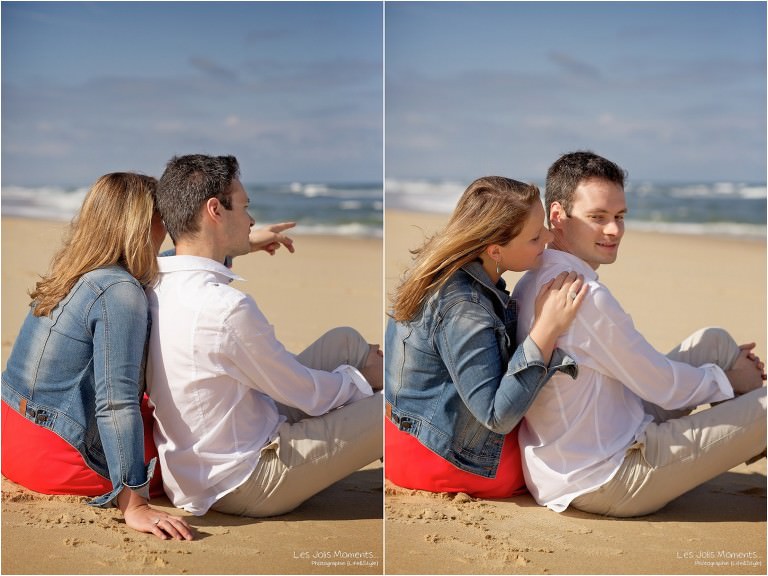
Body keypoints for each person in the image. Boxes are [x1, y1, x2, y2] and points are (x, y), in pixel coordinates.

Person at [512, 151, 767, 517]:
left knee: (714, 342)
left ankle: (747, 438)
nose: (614, 230)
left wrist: (727, 380)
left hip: (570, 456)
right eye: (597, 218)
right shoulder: (585, 296)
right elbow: (661, 386)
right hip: (608, 476)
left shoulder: (535, 276)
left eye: (619, 217)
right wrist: (729, 380)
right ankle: (750, 433)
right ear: (558, 216)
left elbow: (648, 378)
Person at [146, 154, 383, 517]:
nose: (252, 220)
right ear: (215, 210)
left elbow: (190, 256)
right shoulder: (226, 307)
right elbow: (304, 393)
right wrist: (363, 381)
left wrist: (243, 242)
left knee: (345, 342)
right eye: (244, 208)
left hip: (197, 469)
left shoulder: (156, 282)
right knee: (397, 407)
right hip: (246, 480)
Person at [1, 173, 193, 541]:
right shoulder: (120, 292)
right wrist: (134, 502)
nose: (167, 229)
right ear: (140, 224)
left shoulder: (76, 271)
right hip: (57, 459)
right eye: (162, 217)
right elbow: (115, 402)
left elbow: (163, 261)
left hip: (12, 437)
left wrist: (231, 247)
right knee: (193, 438)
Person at [384, 176, 587, 497]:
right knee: (578, 454)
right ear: (495, 250)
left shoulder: (439, 267)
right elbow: (497, 417)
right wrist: (546, 329)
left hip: (404, 439)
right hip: (448, 460)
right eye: (535, 237)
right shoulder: (465, 309)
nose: (548, 237)